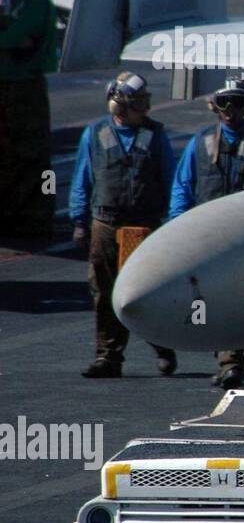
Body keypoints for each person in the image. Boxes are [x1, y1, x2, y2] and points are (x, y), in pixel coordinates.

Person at [69, 72, 177, 378]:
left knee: (146, 291)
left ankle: (162, 343)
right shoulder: (95, 134)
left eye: (144, 102)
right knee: (103, 291)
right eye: (136, 103)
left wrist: (172, 222)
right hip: (105, 223)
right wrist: (79, 221)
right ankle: (108, 356)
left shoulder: (155, 134)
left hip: (143, 226)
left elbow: (169, 177)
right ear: (117, 104)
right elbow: (82, 179)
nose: (143, 109)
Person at [169, 78, 244, 389]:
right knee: (208, 298)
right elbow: (183, 185)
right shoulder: (201, 142)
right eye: (224, 102)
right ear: (215, 106)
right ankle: (228, 360)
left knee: (232, 297)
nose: (230, 110)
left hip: (242, 234)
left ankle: (231, 361)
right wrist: (177, 223)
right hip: (205, 234)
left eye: (237, 102)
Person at [0, 0, 57, 239]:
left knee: (30, 153)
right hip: (9, 82)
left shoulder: (36, 1)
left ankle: (33, 219)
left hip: (25, 85)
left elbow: (13, 38)